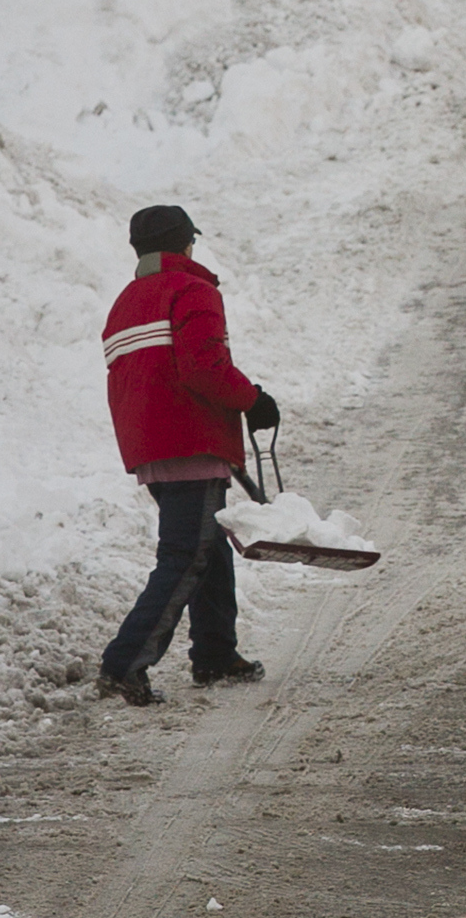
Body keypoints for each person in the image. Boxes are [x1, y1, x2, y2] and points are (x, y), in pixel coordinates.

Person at [96, 205, 278, 706]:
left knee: (208, 544)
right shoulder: (192, 290)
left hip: (150, 445)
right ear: (184, 245)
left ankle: (216, 653)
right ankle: (123, 663)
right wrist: (253, 400)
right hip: (189, 440)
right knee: (185, 554)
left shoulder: (126, 302)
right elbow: (204, 366)